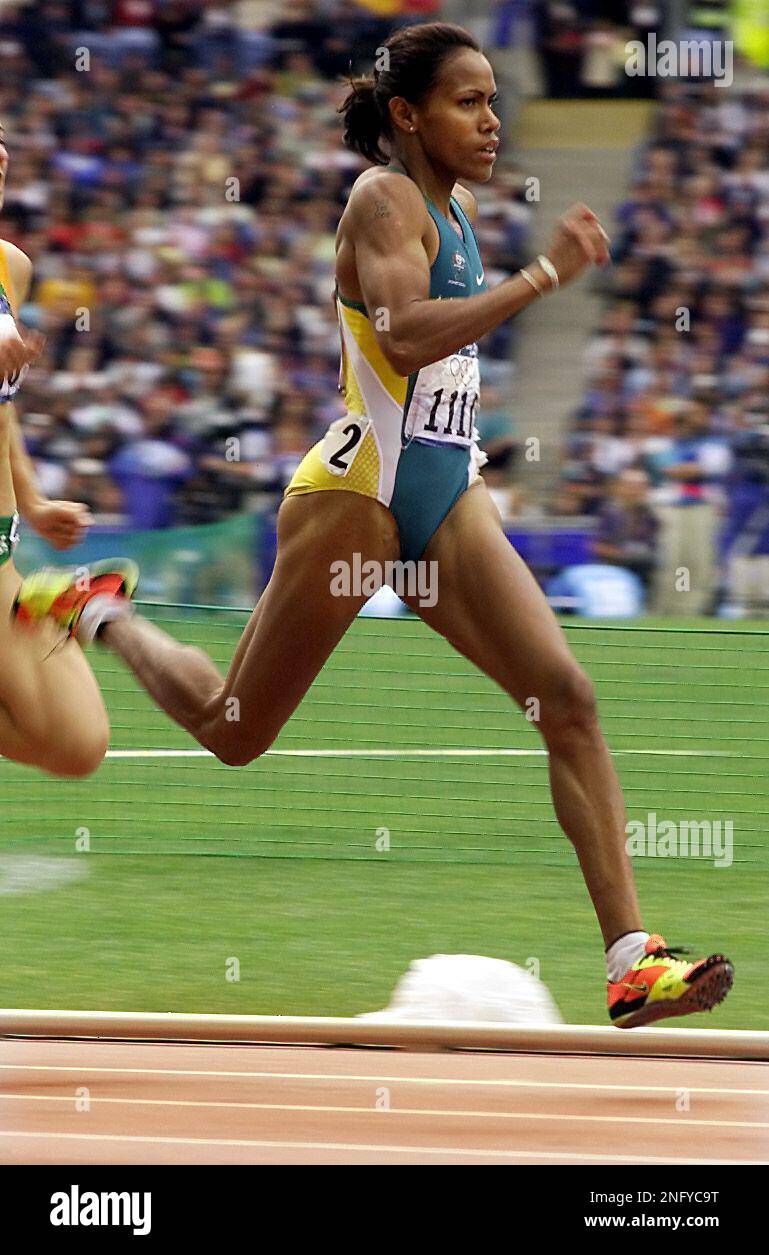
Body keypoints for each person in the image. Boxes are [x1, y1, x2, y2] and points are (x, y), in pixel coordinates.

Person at [16, 23, 733, 1026]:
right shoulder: (380, 199)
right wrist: (542, 279)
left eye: (491, 99)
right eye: (467, 102)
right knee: (234, 731)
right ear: (407, 115)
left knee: (565, 697)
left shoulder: (461, 208)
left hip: (445, 491)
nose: (490, 120)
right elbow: (398, 341)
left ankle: (630, 958)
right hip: (351, 505)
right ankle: (105, 612)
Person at [0, 118, 135, 778]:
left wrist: (33, 497)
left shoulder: (8, 266)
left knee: (77, 744)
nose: (0, 152)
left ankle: (53, 597)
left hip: (0, 549)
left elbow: (3, 410)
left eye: (1, 137)